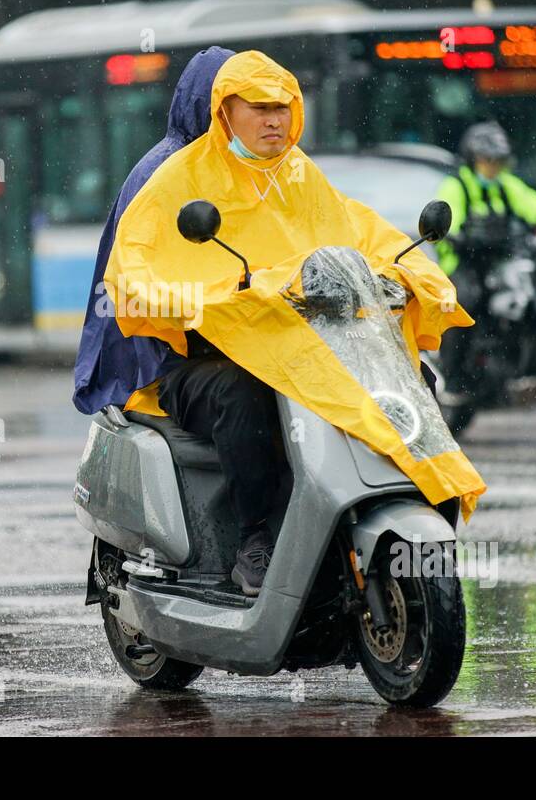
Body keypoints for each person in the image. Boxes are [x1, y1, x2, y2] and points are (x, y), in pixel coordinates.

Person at [104, 50, 477, 596]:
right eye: (258, 107)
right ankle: (256, 539)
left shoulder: (301, 175)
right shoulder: (178, 180)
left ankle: (409, 504)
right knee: (245, 394)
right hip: (208, 361)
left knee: (414, 380)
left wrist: (414, 269)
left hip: (307, 348)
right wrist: (201, 301)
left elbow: (366, 235)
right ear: (224, 111)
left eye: (283, 106)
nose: (275, 119)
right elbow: (132, 273)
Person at [72, 46, 235, 416]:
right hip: (157, 363)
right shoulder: (166, 172)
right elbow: (144, 285)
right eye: (232, 106)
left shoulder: (217, 168)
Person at [435, 121, 536, 395]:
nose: (492, 167)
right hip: (466, 263)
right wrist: (455, 236)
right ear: (472, 160)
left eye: (497, 161)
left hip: (502, 261)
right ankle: (452, 377)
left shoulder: (508, 186)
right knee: (464, 304)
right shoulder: (456, 186)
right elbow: (448, 217)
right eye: (486, 160)